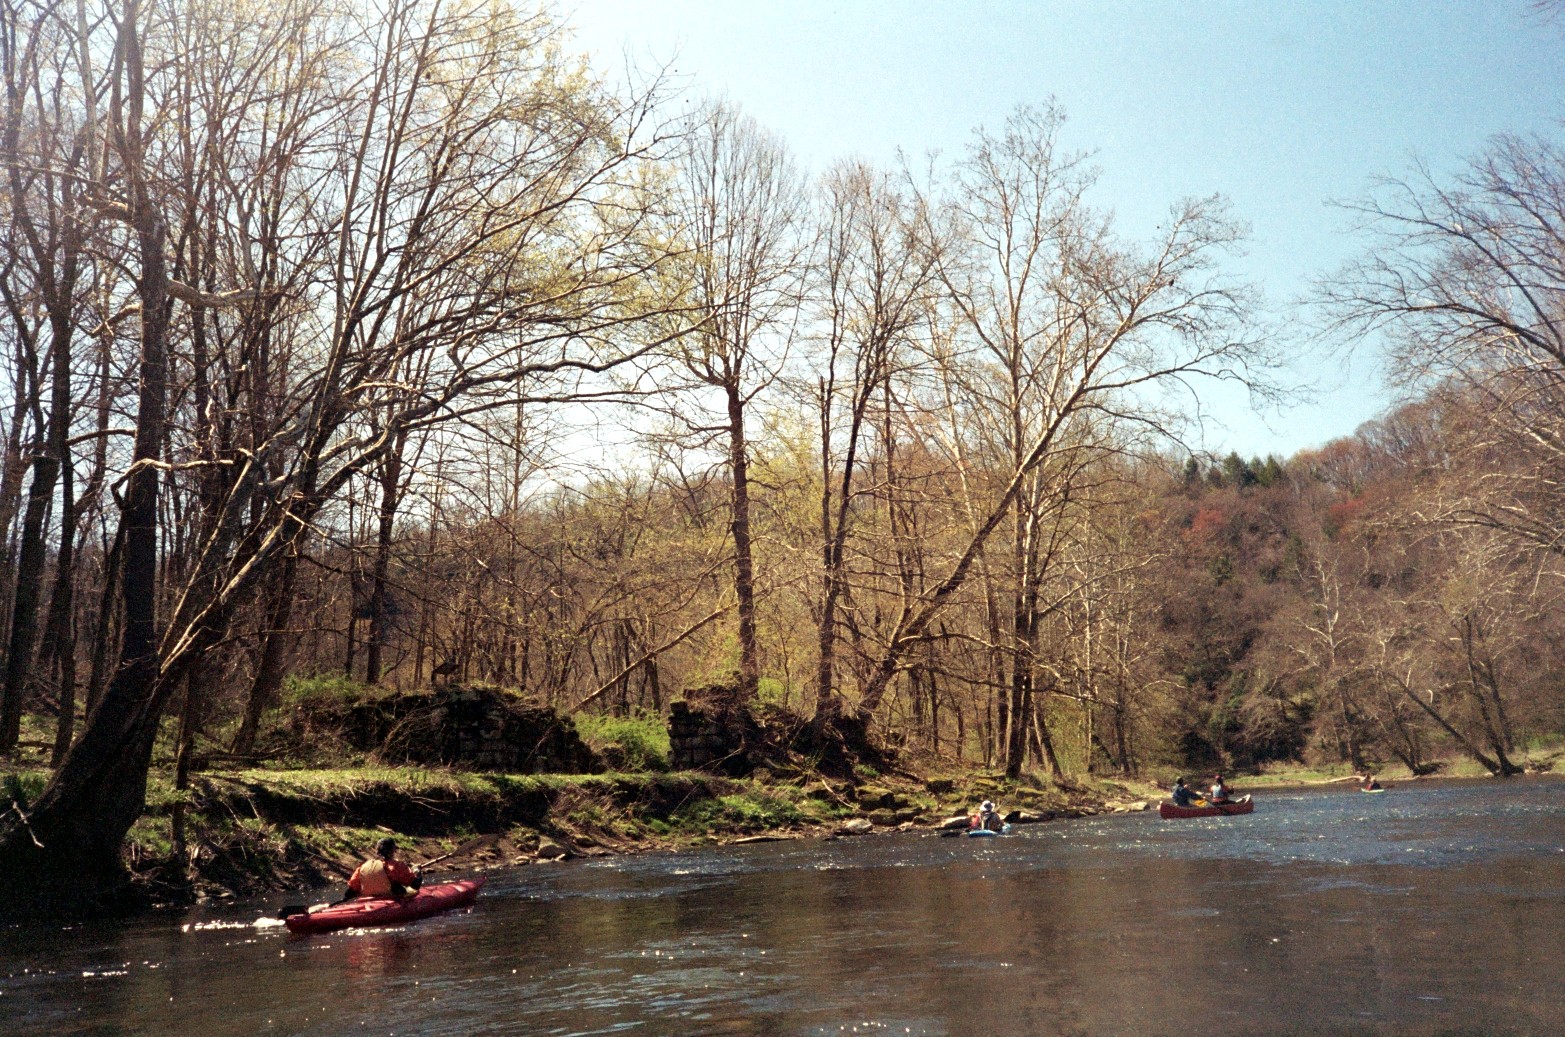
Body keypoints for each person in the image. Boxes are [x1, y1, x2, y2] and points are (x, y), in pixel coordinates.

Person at [346, 836, 423, 900]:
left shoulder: (363, 866)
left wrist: (347, 896)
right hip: (390, 899)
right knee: (403, 889)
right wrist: (417, 871)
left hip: (367, 900)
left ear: (377, 850)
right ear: (392, 850)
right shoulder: (396, 866)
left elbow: (351, 890)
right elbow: (415, 885)